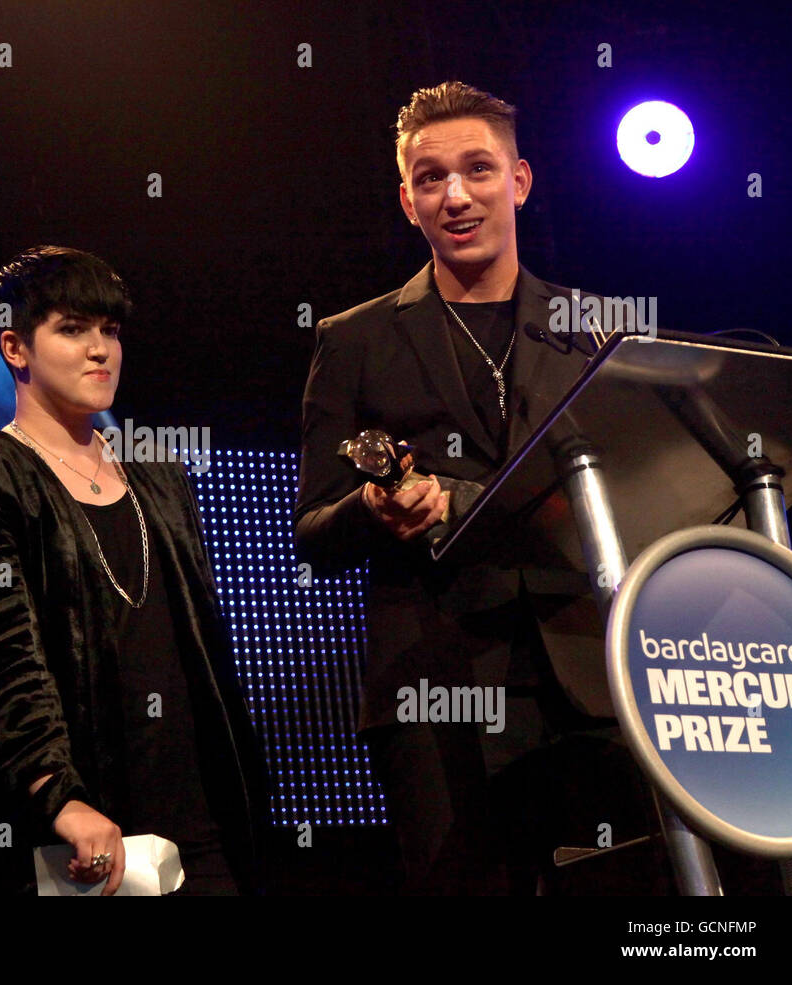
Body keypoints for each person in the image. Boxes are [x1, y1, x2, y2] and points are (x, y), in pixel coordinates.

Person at [295, 82, 652, 893]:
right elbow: (312, 530)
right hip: (436, 691)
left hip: (595, 680)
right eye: (430, 178)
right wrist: (373, 508)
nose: (455, 195)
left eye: (477, 170)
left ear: (519, 181)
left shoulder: (598, 329)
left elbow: (643, 499)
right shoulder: (352, 340)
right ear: (407, 200)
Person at [0, 245, 266, 895]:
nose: (100, 348)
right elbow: (2, 656)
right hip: (63, 831)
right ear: (15, 347)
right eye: (73, 328)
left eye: (109, 329)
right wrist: (60, 796)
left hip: (194, 827)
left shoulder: (158, 474)